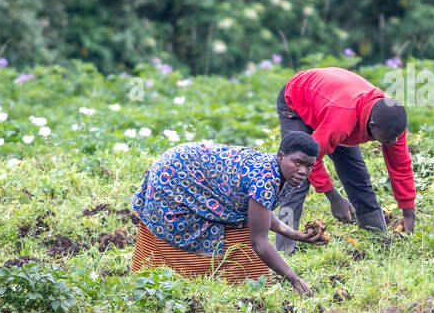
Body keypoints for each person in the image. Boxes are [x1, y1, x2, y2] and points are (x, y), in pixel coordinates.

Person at [131, 132, 323, 294]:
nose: (302, 171)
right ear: (280, 156)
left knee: (243, 232)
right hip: (175, 176)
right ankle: (175, 281)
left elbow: (261, 212)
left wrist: (295, 235)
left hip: (192, 169)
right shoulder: (265, 179)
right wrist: (294, 279)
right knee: (188, 230)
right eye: (297, 163)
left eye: (308, 166)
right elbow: (259, 243)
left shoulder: (285, 175)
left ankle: (235, 286)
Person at [274, 66, 415, 254]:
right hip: (297, 100)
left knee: (357, 175)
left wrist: (408, 212)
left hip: (332, 105)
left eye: (397, 137)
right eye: (389, 138)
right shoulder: (341, 122)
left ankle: (376, 239)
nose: (394, 142)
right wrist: (334, 198)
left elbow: (400, 166)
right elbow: (311, 162)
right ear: (371, 126)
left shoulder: (392, 124)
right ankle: (284, 250)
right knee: (296, 176)